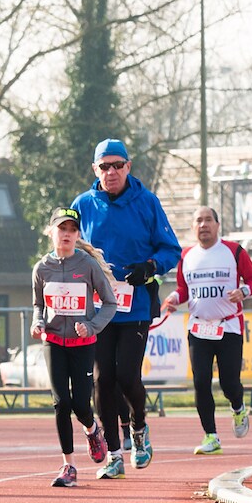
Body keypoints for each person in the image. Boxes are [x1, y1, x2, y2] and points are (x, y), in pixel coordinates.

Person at [71, 139, 180, 479]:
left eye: (118, 165)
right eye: (105, 166)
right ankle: (115, 455)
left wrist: (149, 266)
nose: (112, 172)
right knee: (103, 380)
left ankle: (140, 428)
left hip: (135, 304)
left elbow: (170, 250)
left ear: (128, 167)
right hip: (99, 305)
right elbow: (66, 246)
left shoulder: (147, 202)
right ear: (95, 170)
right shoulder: (83, 205)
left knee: (127, 375)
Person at [162, 206, 252, 455]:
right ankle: (211, 436)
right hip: (199, 328)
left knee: (229, 383)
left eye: (208, 220)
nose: (203, 224)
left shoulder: (234, 251)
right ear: (193, 227)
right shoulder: (186, 256)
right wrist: (173, 298)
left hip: (228, 326)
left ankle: (238, 407)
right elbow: (184, 290)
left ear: (217, 225)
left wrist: (243, 292)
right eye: (198, 220)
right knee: (201, 382)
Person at [30, 207, 116, 487]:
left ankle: (92, 431)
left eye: (71, 230)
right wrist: (38, 323)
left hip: (83, 343)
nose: (66, 234)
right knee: (60, 403)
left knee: (81, 404)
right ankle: (69, 465)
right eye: (61, 229)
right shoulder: (42, 268)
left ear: (77, 235)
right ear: (51, 232)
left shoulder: (87, 265)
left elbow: (110, 303)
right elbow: (38, 306)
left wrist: (91, 326)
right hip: (53, 342)